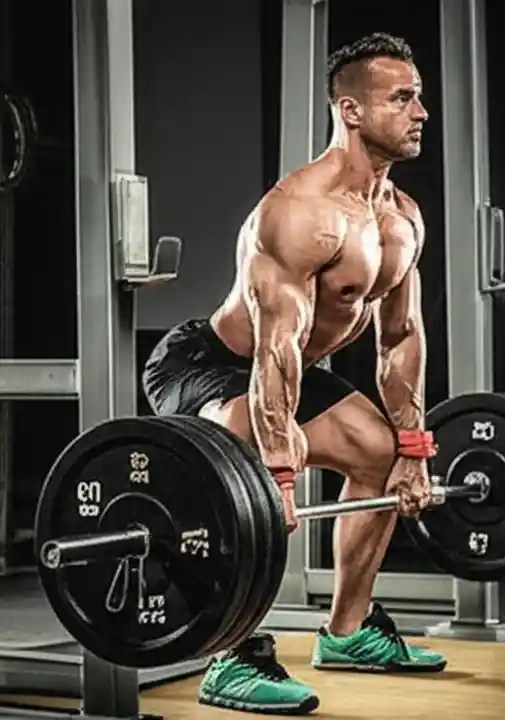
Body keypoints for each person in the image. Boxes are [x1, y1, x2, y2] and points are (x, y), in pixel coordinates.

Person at [142, 33, 445, 715]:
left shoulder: (400, 220)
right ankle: (232, 654)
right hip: (209, 364)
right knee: (258, 457)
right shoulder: (300, 213)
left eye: (420, 95)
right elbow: (275, 347)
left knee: (378, 453)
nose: (422, 110)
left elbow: (400, 338)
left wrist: (416, 450)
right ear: (352, 110)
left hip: (288, 369)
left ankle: (347, 630)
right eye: (403, 97)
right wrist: (278, 473)